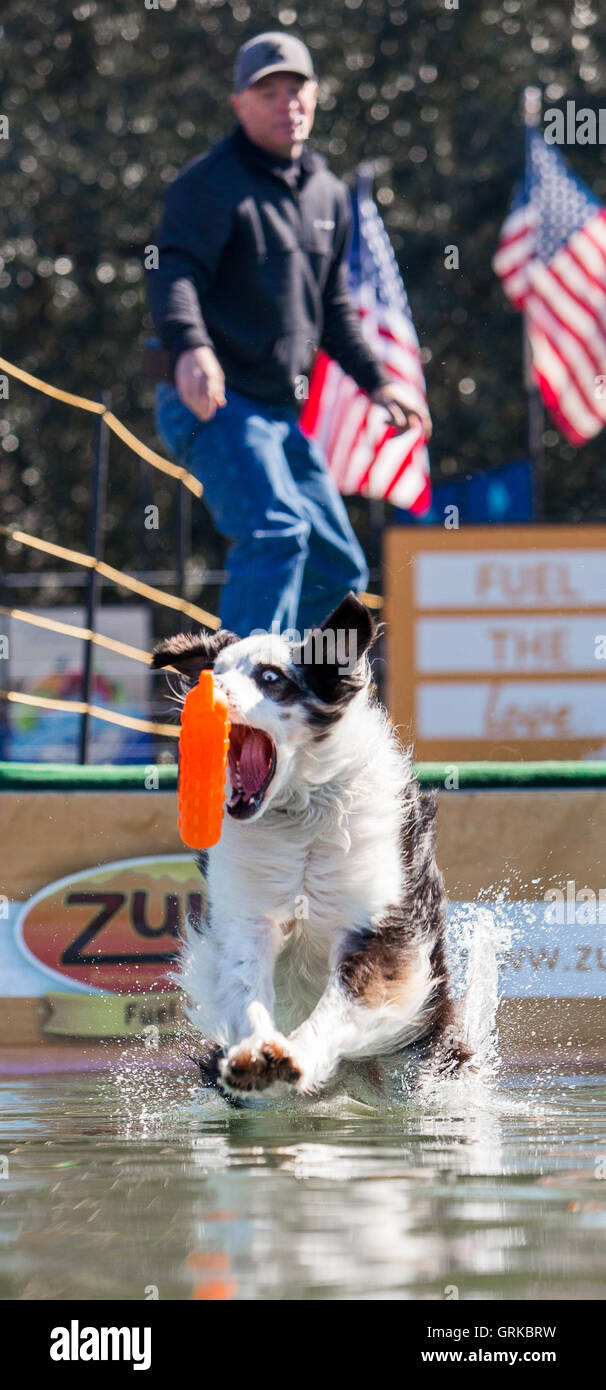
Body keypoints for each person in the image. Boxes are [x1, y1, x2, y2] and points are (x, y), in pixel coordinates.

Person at [146, 30, 431, 639]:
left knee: (337, 567)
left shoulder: (328, 193)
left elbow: (332, 308)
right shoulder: (207, 185)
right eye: (267, 92)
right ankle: (242, 702)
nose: (286, 104)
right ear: (239, 105)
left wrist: (380, 383)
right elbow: (174, 275)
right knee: (276, 531)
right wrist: (191, 347)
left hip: (278, 414)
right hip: (211, 401)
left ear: (316, 97)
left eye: (296, 90)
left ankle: (305, 717)